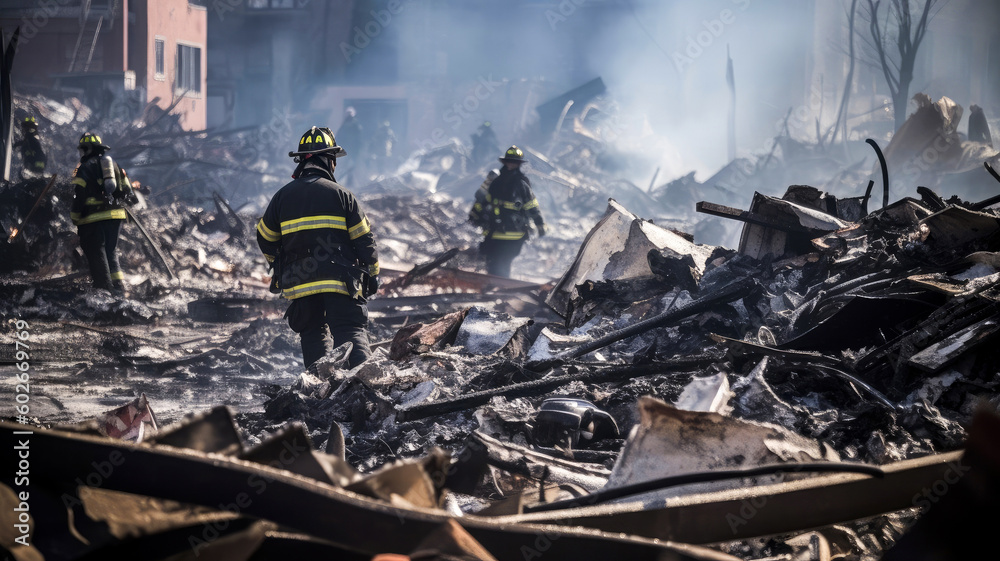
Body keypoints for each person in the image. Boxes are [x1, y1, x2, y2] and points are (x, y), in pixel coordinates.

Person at [256, 126, 380, 370]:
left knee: (313, 335)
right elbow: (365, 240)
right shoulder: (343, 195)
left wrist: (281, 265)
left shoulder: (281, 197)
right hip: (341, 282)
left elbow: (265, 238)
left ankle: (320, 385)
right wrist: (373, 274)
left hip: (301, 282)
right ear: (329, 160)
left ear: (302, 160)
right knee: (349, 330)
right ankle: (362, 382)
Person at [70, 133, 135, 293]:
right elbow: (128, 191)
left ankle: (104, 291)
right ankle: (118, 288)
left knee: (96, 253)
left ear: (88, 149)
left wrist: (75, 215)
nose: (82, 153)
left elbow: (80, 194)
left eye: (83, 149)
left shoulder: (85, 167)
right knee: (110, 252)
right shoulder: (114, 165)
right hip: (116, 217)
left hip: (93, 218)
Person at [468, 145, 546, 277]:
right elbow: (484, 201)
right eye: (509, 161)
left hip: (513, 233)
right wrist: (476, 216)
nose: (511, 164)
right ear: (505, 162)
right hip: (496, 232)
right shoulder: (496, 182)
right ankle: (496, 286)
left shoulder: (521, 183)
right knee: (494, 264)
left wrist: (540, 224)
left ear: (518, 164)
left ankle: (499, 285)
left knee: (502, 264)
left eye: (514, 162)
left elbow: (531, 205)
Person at [336, 106, 364, 182]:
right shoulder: (345, 124)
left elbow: (359, 137)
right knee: (345, 164)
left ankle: (350, 180)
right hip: (346, 148)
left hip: (353, 148)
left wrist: (358, 147)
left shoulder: (355, 124)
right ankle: (344, 180)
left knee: (352, 165)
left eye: (350, 113)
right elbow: (339, 135)